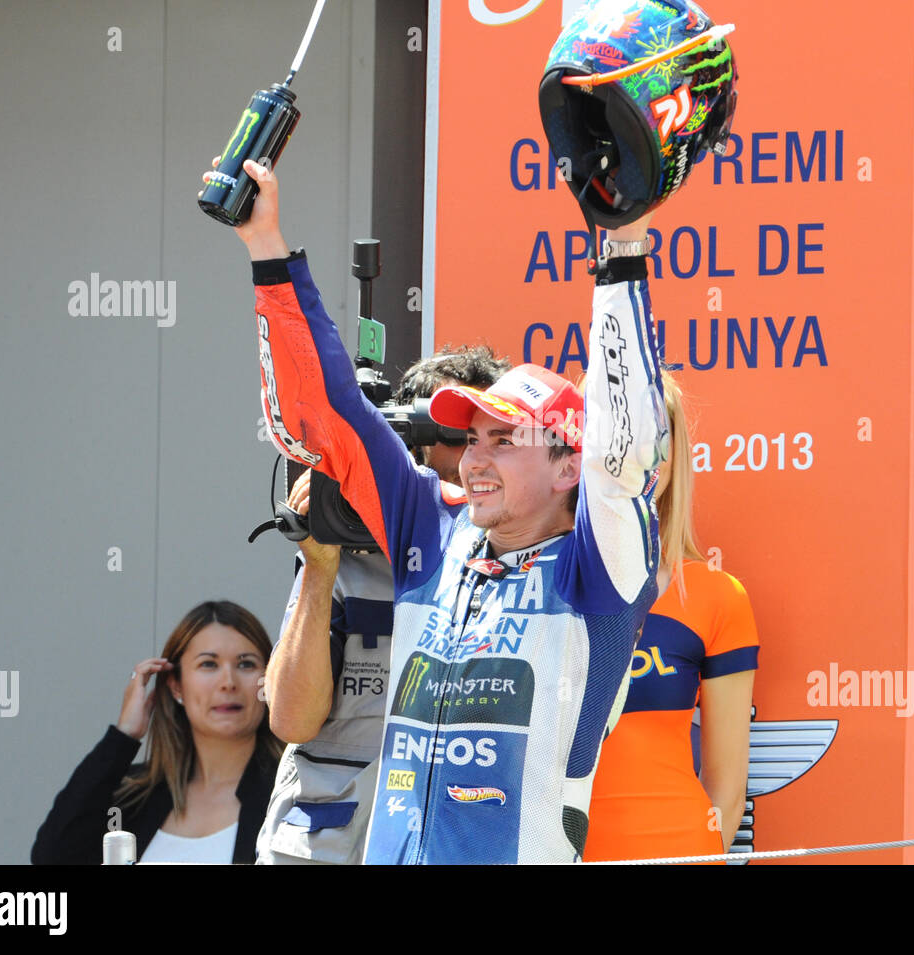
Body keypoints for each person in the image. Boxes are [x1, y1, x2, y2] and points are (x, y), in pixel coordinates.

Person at [220, 151, 664, 863]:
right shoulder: (435, 529)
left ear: (566, 464)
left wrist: (622, 252)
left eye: (504, 440)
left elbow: (625, 448)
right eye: (472, 438)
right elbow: (333, 408)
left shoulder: (596, 575)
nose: (477, 459)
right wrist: (266, 246)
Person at [256, 347, 509, 865]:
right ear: (404, 448)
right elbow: (292, 722)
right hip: (331, 842)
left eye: (493, 439)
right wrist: (320, 568)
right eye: (455, 437)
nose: (472, 460)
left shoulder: (526, 568)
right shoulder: (345, 560)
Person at [584, 371, 759, 863]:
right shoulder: (536, 582)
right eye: (622, 436)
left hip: (676, 848)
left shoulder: (716, 596)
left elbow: (726, 790)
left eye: (656, 438)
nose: (639, 457)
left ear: (676, 454)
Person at [31, 601, 281, 864]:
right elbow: (52, 857)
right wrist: (124, 736)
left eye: (246, 664)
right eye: (208, 664)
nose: (228, 682)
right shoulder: (135, 795)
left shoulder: (291, 796)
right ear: (176, 686)